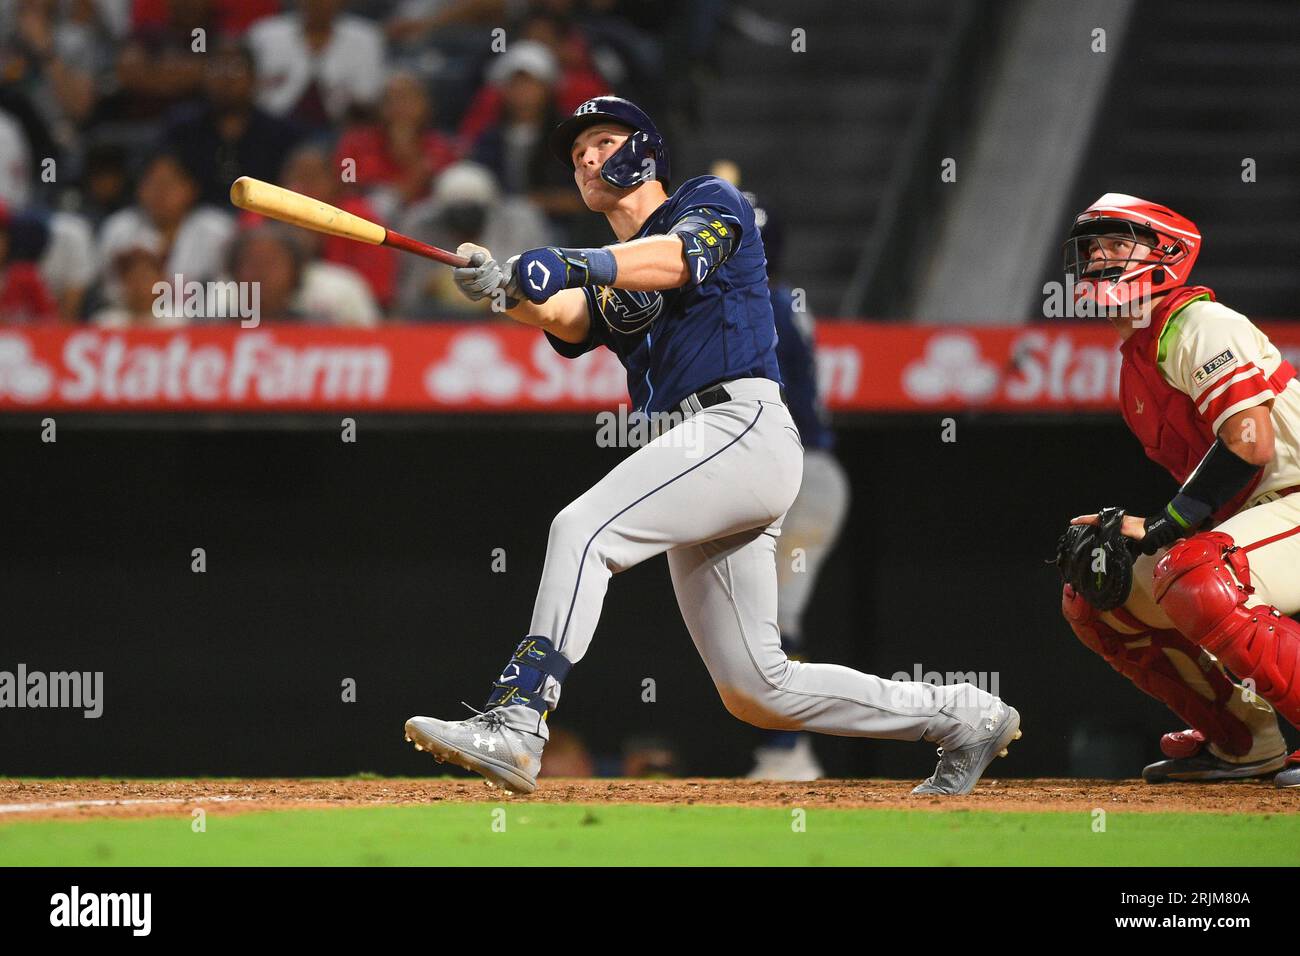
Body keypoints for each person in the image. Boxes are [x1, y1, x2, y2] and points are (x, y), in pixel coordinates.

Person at [404, 96, 1020, 796]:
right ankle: (964, 716)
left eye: (602, 143)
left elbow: (674, 261)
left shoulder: (708, 200)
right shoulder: (617, 267)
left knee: (581, 530)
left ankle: (518, 722)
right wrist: (504, 289)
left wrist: (566, 261)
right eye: (577, 155)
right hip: (701, 451)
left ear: (645, 148)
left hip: (740, 427)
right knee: (758, 688)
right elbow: (571, 319)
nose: (586, 159)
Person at [1059, 193, 1300, 789]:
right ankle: (1243, 741)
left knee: (1196, 570)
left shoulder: (1200, 322)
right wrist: (1146, 532)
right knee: (1100, 592)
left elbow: (1249, 443)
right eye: (1093, 249)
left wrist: (1165, 529)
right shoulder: (1137, 360)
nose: (1101, 260)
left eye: (1119, 244)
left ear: (1168, 252)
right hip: (1270, 514)